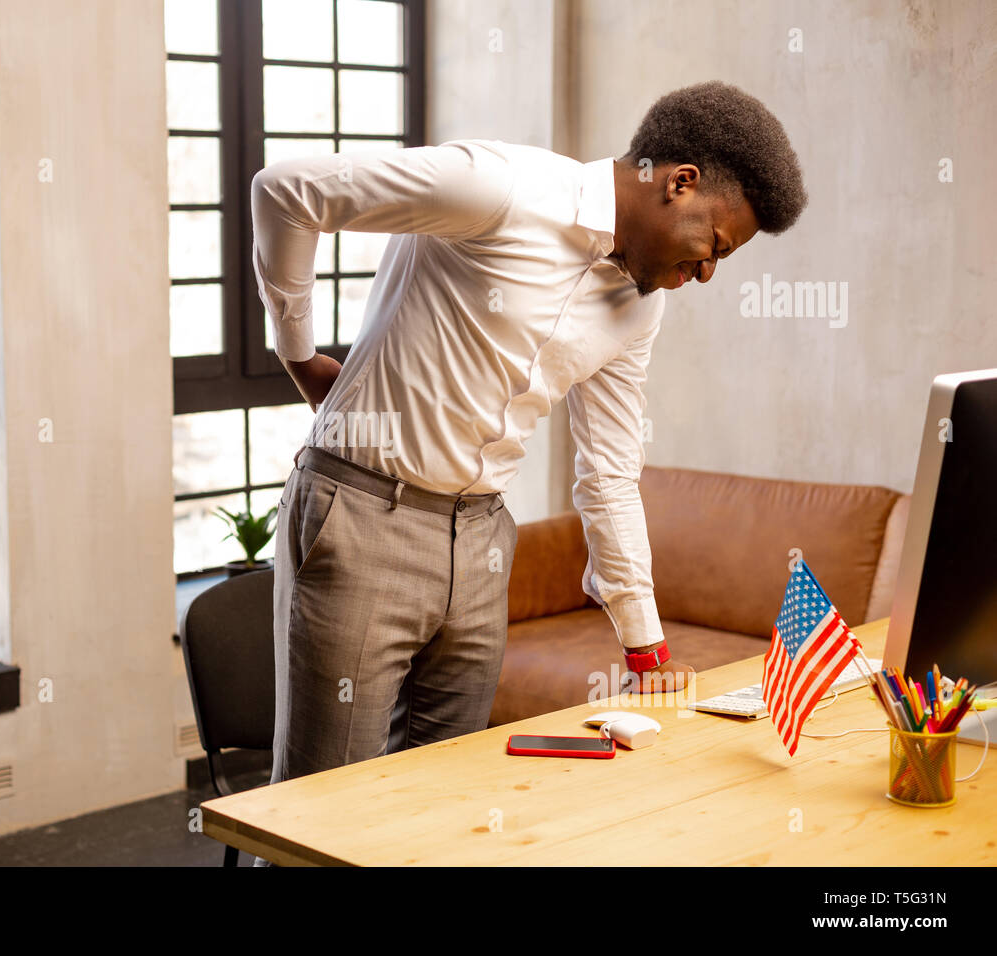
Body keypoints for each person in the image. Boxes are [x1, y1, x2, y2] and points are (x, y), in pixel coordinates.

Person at [249, 80, 807, 815]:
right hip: (360, 518)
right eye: (714, 246)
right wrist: (295, 350)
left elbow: (609, 473)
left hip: (481, 544)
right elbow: (287, 190)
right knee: (325, 815)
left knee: (444, 810)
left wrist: (646, 648)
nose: (705, 272)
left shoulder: (640, 308)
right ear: (679, 184)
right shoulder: (500, 188)